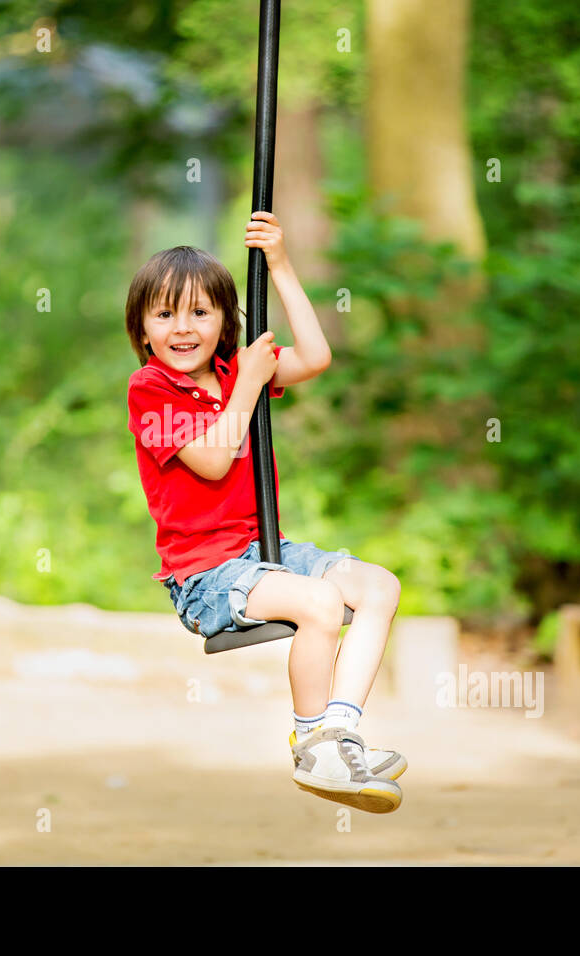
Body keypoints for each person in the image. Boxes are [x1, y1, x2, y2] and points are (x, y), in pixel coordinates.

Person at [124, 211, 406, 814]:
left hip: (260, 553)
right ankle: (311, 744)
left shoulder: (234, 371)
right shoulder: (150, 390)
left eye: (201, 312)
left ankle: (341, 732)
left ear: (226, 322)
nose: (183, 327)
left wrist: (278, 262)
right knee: (322, 605)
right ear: (142, 329)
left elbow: (316, 354)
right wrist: (249, 382)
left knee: (379, 587)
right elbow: (213, 461)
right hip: (205, 575)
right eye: (165, 313)